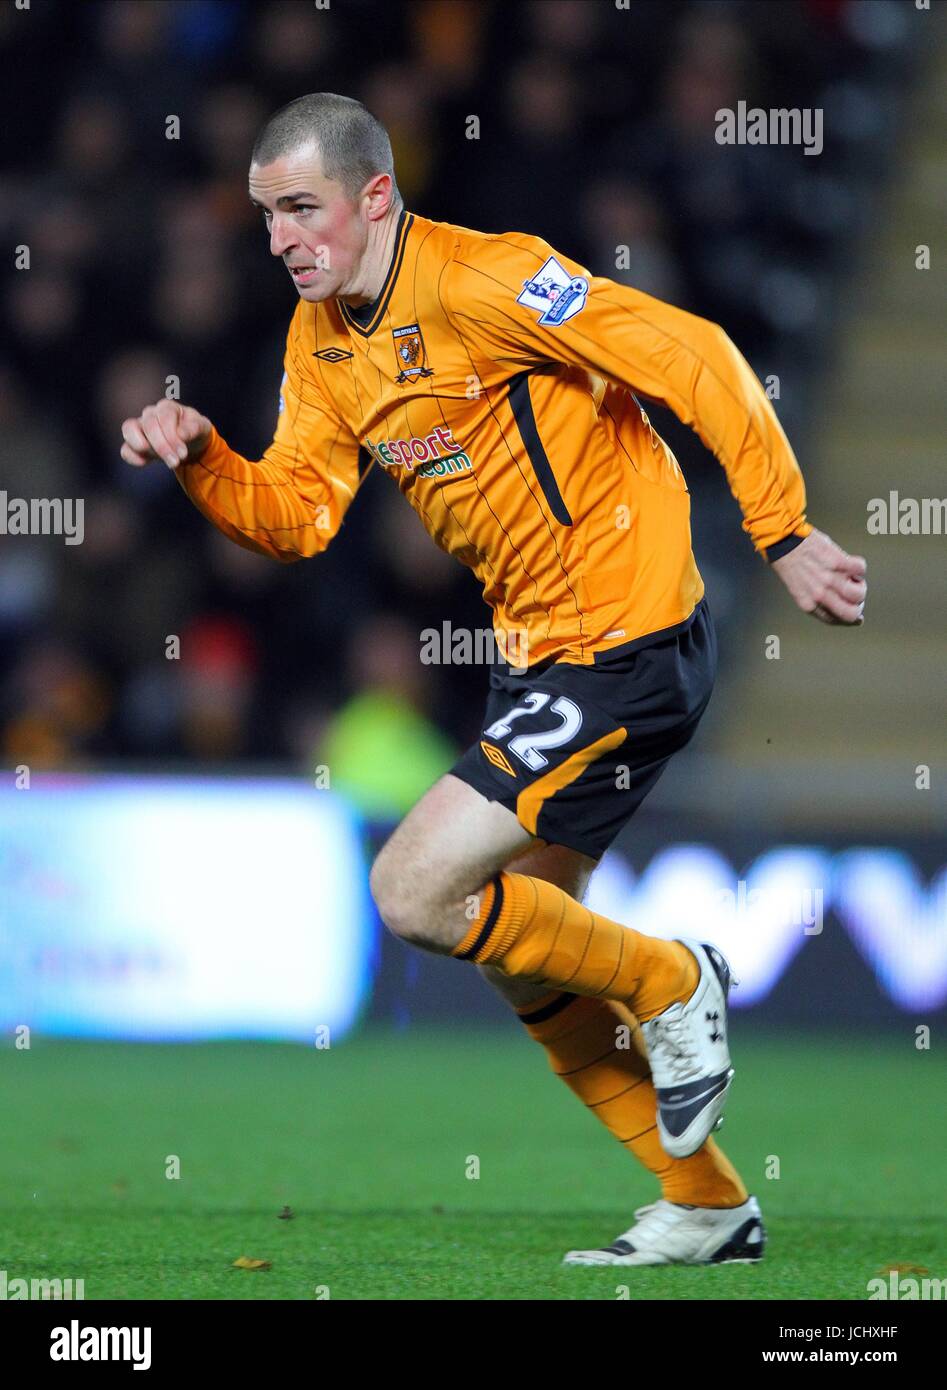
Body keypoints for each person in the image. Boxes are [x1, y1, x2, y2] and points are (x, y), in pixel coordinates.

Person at [121, 92, 867, 1268]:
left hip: (624, 637)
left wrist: (779, 530)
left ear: (375, 197)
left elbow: (693, 353)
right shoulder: (318, 342)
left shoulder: (490, 279)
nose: (281, 241)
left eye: (303, 210)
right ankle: (710, 1205)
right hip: (536, 661)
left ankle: (679, 979)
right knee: (523, 953)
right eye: (268, 218)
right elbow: (302, 517)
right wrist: (205, 457)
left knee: (412, 892)